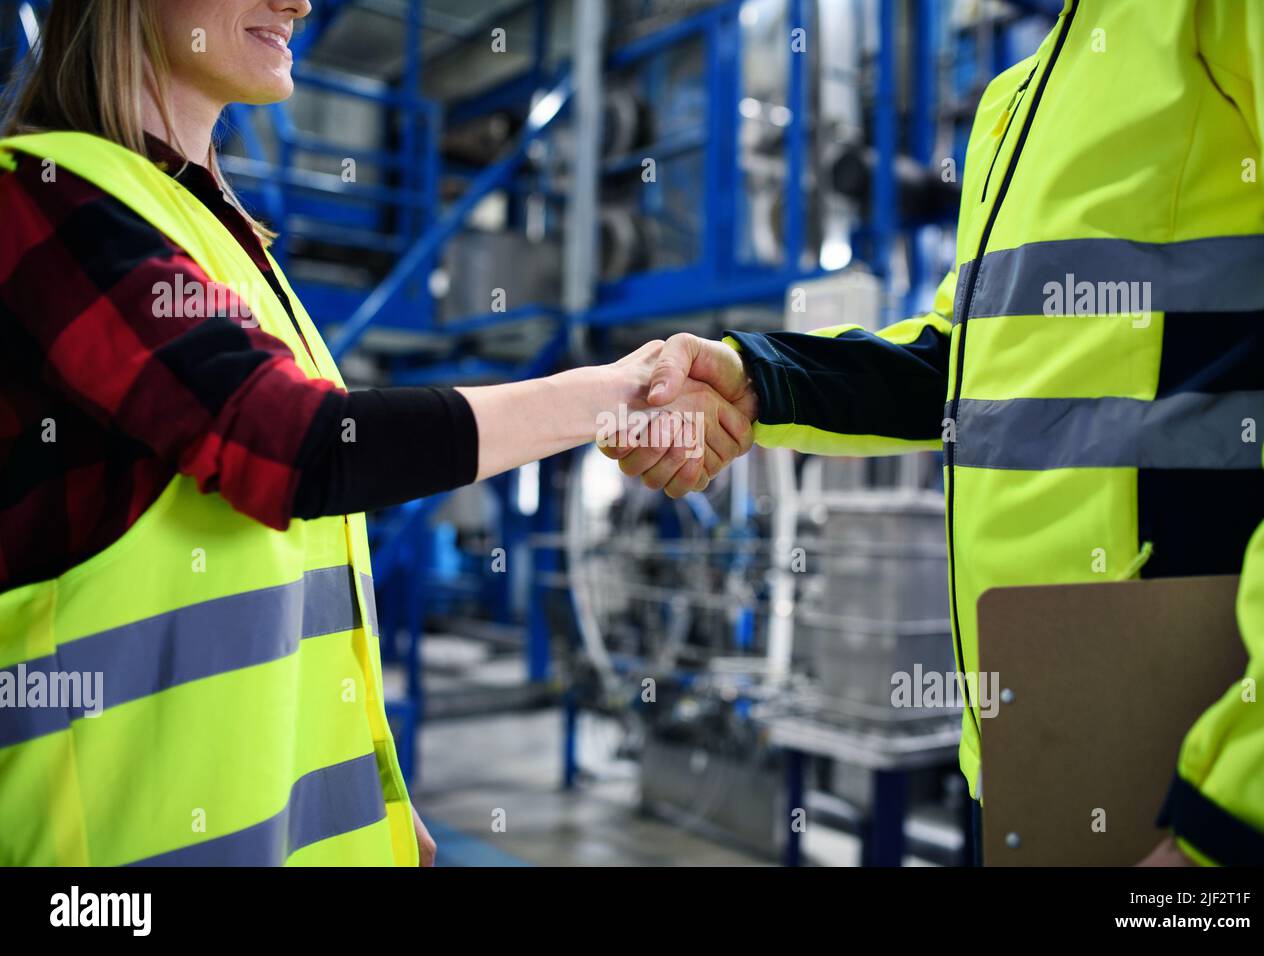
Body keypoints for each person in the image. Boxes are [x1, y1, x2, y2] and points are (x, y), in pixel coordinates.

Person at [0, 0, 755, 866]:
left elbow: (301, 581)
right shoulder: (36, 197)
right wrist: (610, 396)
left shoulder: (228, 247)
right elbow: (304, 448)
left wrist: (372, 794)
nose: (300, 2)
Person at [612, 0, 1264, 866]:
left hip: (1199, 768)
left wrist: (1248, 820)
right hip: (1031, 754)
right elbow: (960, 363)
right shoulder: (1019, 96)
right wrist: (755, 378)